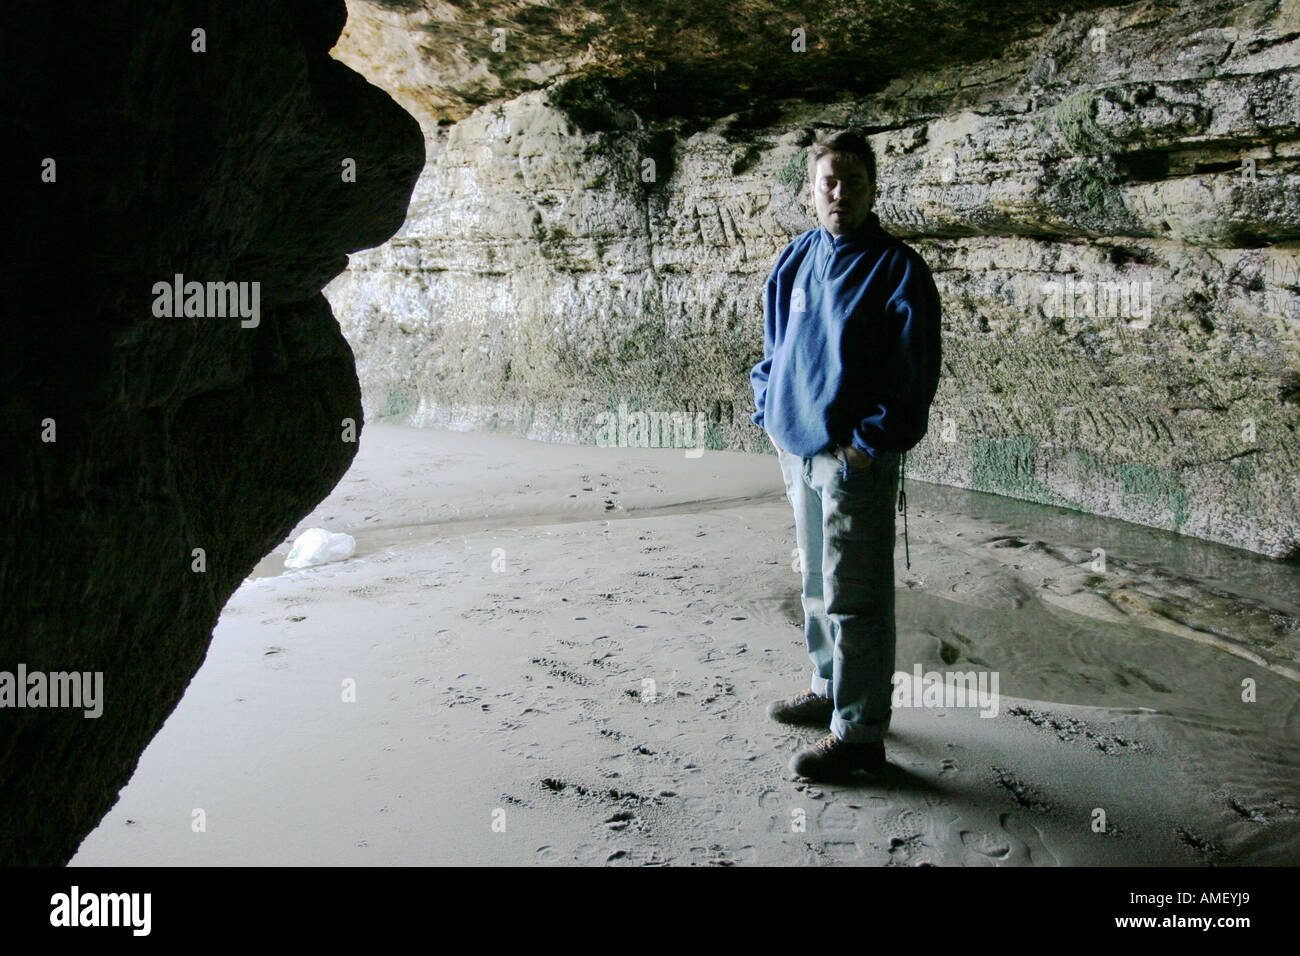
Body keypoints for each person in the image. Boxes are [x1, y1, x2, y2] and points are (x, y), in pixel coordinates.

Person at [749, 129, 942, 781]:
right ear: (812, 189)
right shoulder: (796, 258)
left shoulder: (899, 269)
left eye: (853, 181)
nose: (840, 192)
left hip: (853, 459)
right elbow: (774, 348)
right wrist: (769, 409)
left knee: (855, 594)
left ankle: (860, 734)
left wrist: (868, 445)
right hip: (796, 449)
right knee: (813, 580)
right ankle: (828, 687)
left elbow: (914, 377)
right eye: (829, 180)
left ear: (873, 189)